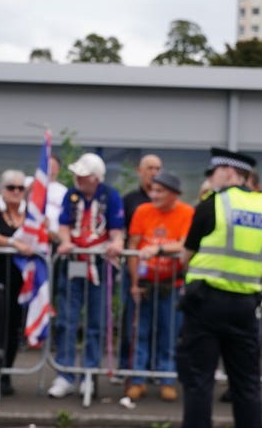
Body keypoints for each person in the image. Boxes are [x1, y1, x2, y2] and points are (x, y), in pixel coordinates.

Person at [171, 148, 262, 428]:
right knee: (247, 387)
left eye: (214, 172)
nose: (209, 178)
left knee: (200, 384)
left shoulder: (214, 204)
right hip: (247, 306)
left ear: (231, 173)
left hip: (206, 305)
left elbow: (186, 257)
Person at [50, 153, 125, 398]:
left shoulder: (110, 196)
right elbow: (63, 224)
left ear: (94, 178)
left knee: (96, 321)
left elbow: (116, 230)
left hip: (100, 264)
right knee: (67, 320)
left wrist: (117, 243)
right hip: (74, 263)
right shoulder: (71, 196)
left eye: (82, 175)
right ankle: (65, 373)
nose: (77, 178)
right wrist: (65, 241)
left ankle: (89, 373)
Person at [125, 170, 192, 402]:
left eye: (159, 191)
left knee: (169, 332)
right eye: (152, 190)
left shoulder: (186, 213)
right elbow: (133, 247)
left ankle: (167, 379)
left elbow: (185, 244)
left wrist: (159, 249)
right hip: (146, 282)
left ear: (173, 194)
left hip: (171, 283)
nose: (153, 195)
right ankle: (137, 379)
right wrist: (135, 282)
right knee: (140, 332)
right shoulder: (142, 212)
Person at [0, 169, 33, 396]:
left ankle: (7, 373)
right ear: (3, 189)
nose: (16, 192)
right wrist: (13, 243)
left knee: (15, 326)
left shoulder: (28, 212)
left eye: (21, 188)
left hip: (22, 279)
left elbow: (41, 232)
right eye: (12, 187)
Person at [120, 154, 163, 375]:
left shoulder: (166, 201)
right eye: (150, 168)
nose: (154, 172)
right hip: (135, 269)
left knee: (158, 322)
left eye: (158, 168)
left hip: (161, 272)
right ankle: (126, 366)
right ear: (140, 170)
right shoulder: (130, 200)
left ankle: (153, 367)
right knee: (132, 320)